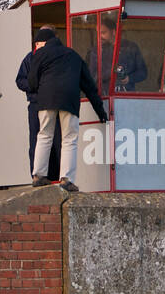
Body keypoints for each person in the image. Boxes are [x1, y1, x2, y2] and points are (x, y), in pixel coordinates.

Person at [26, 26, 108, 192]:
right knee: (69, 139)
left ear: (43, 42)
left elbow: (32, 83)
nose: (36, 47)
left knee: (44, 135)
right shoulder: (73, 55)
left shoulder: (39, 55)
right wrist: (101, 113)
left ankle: (38, 176)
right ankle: (66, 179)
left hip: (46, 101)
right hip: (69, 101)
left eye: (37, 44)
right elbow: (90, 87)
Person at [16, 38, 61, 181]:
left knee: (57, 141)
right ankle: (38, 176)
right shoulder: (30, 58)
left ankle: (57, 175)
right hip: (36, 105)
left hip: (55, 104)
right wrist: (35, 86)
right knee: (36, 141)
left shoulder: (58, 58)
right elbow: (20, 81)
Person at [85, 14, 147, 94]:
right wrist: (110, 72)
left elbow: (143, 72)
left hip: (127, 95)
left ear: (114, 32)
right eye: (98, 33)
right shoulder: (95, 51)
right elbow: (90, 77)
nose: (99, 36)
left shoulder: (131, 48)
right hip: (103, 96)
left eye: (103, 33)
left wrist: (129, 78)